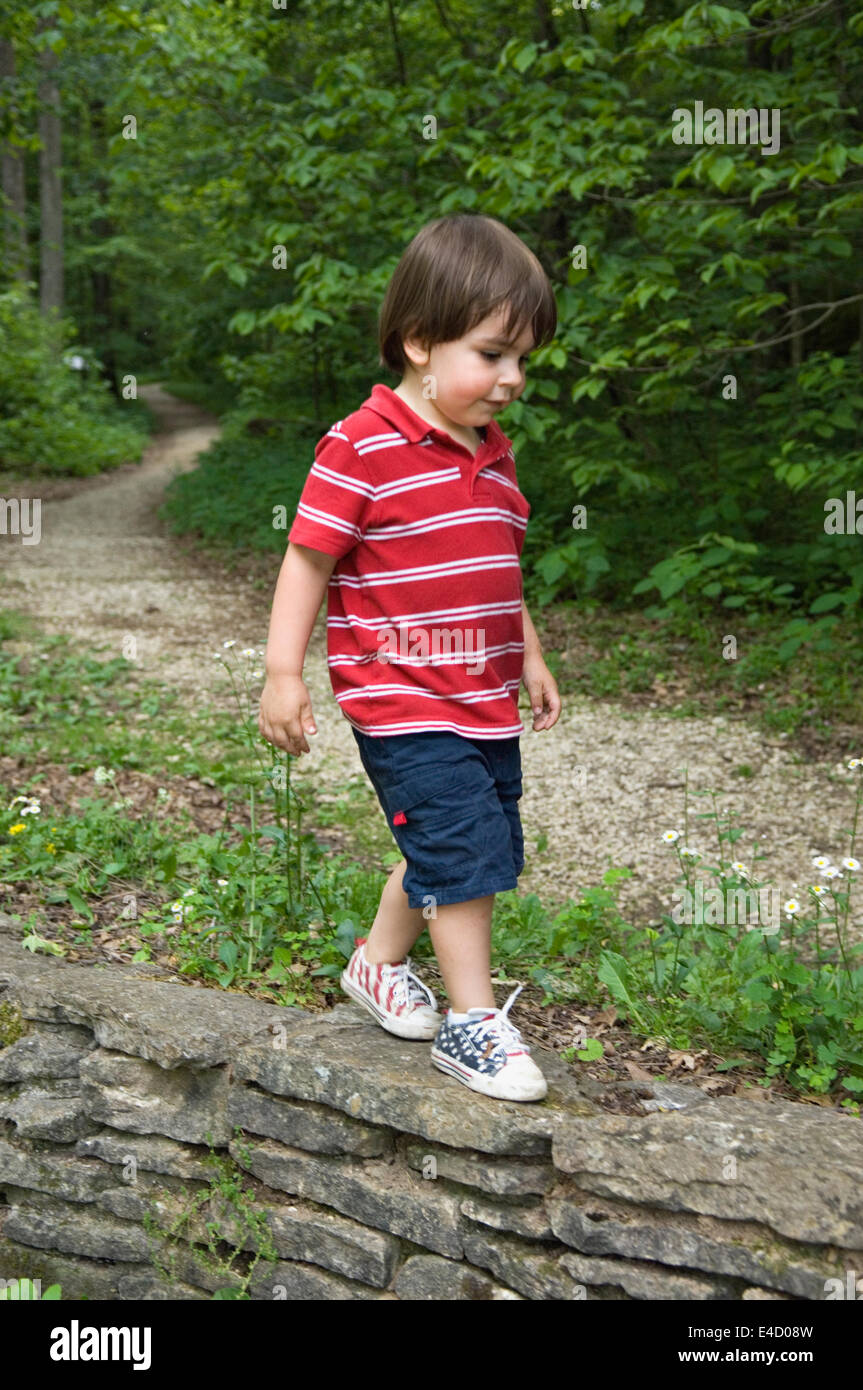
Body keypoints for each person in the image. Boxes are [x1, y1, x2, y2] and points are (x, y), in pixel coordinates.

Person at [259, 213, 562, 1102]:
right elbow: (306, 558)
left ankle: (377, 962)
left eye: (522, 361)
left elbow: (499, 574)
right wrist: (284, 672)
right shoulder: (361, 446)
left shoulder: (493, 456)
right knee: (463, 842)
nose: (510, 380)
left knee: (458, 835)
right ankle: (472, 1025)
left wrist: (529, 657)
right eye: (492, 354)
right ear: (420, 342)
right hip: (401, 699)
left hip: (478, 699)